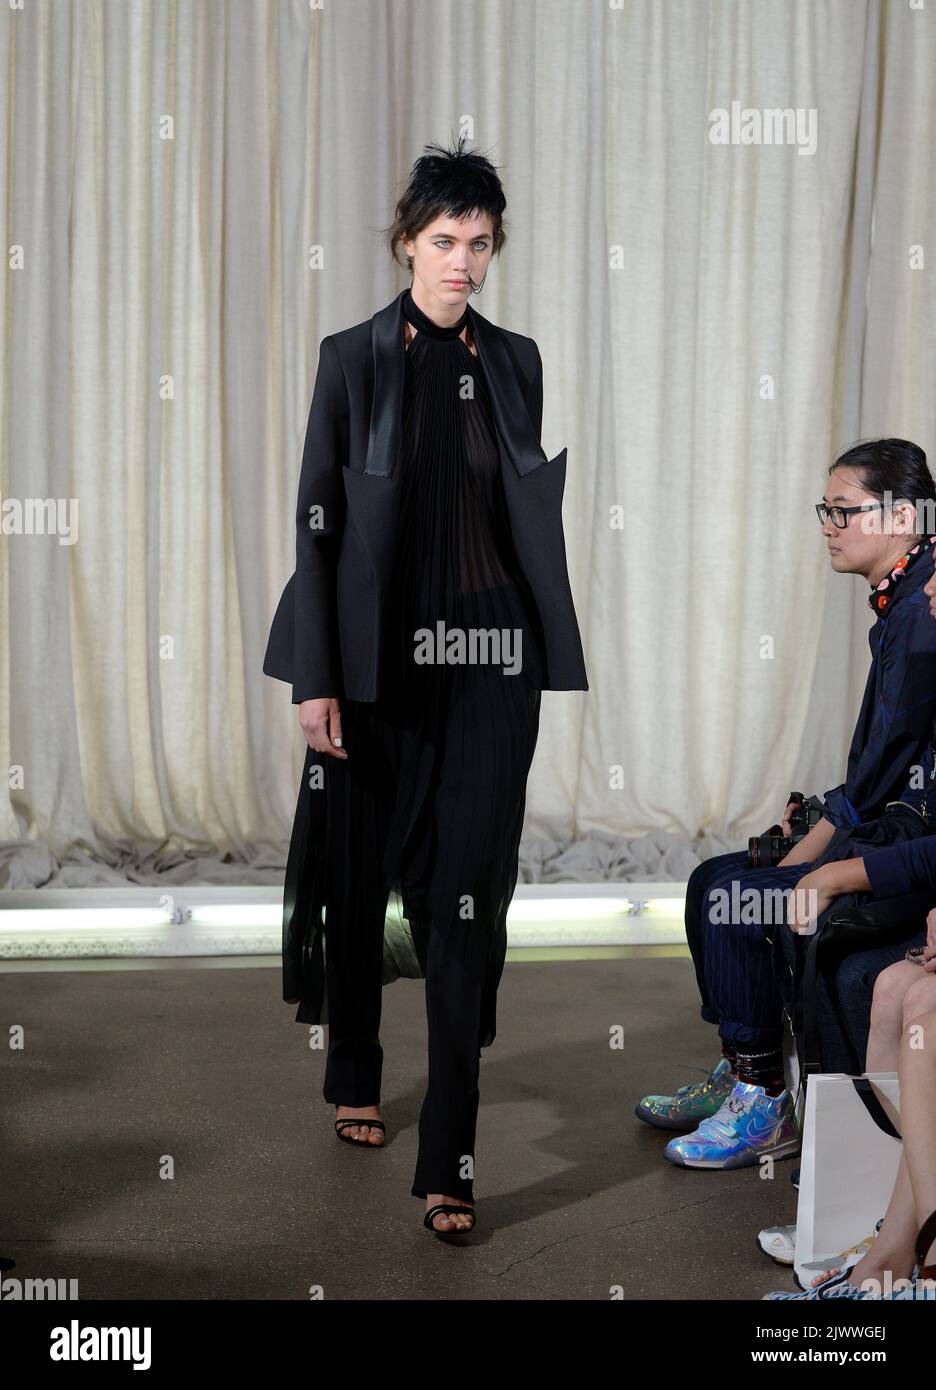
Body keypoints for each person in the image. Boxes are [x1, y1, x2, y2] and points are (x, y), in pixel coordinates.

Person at [262, 137, 588, 1237]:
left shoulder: (518, 360)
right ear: (408, 243)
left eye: (480, 243)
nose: (463, 261)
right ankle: (355, 1055)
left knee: (467, 897)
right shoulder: (351, 358)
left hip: (493, 663)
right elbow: (318, 520)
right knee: (360, 882)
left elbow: (508, 513)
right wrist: (317, 673)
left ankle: (450, 1155)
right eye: (444, 241)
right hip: (375, 665)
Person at [636, 440, 936, 1168]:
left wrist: (811, 858)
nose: (829, 524)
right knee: (715, 878)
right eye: (824, 510)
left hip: (908, 845)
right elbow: (871, 770)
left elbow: (877, 774)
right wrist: (801, 847)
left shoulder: (923, 612)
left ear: (901, 517)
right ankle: (743, 1064)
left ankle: (763, 1099)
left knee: (733, 898)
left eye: (843, 510)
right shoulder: (906, 596)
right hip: (890, 822)